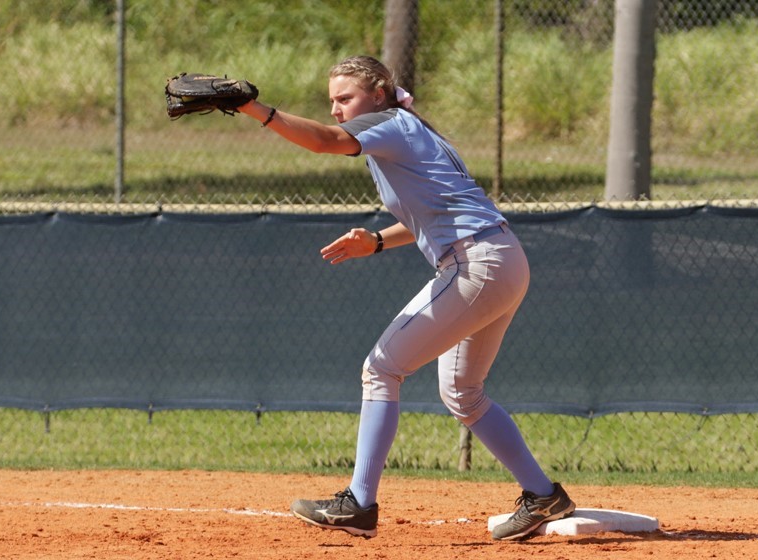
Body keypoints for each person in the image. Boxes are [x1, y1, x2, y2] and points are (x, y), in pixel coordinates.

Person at [237, 55, 574, 541]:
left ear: (378, 93)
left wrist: (254, 108)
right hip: (500, 259)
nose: (336, 109)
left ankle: (358, 503)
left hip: (476, 262)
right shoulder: (403, 129)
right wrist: (375, 241)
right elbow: (431, 212)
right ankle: (543, 495)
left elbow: (322, 142)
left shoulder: (392, 124)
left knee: (381, 367)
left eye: (345, 98)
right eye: (331, 100)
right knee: (463, 391)